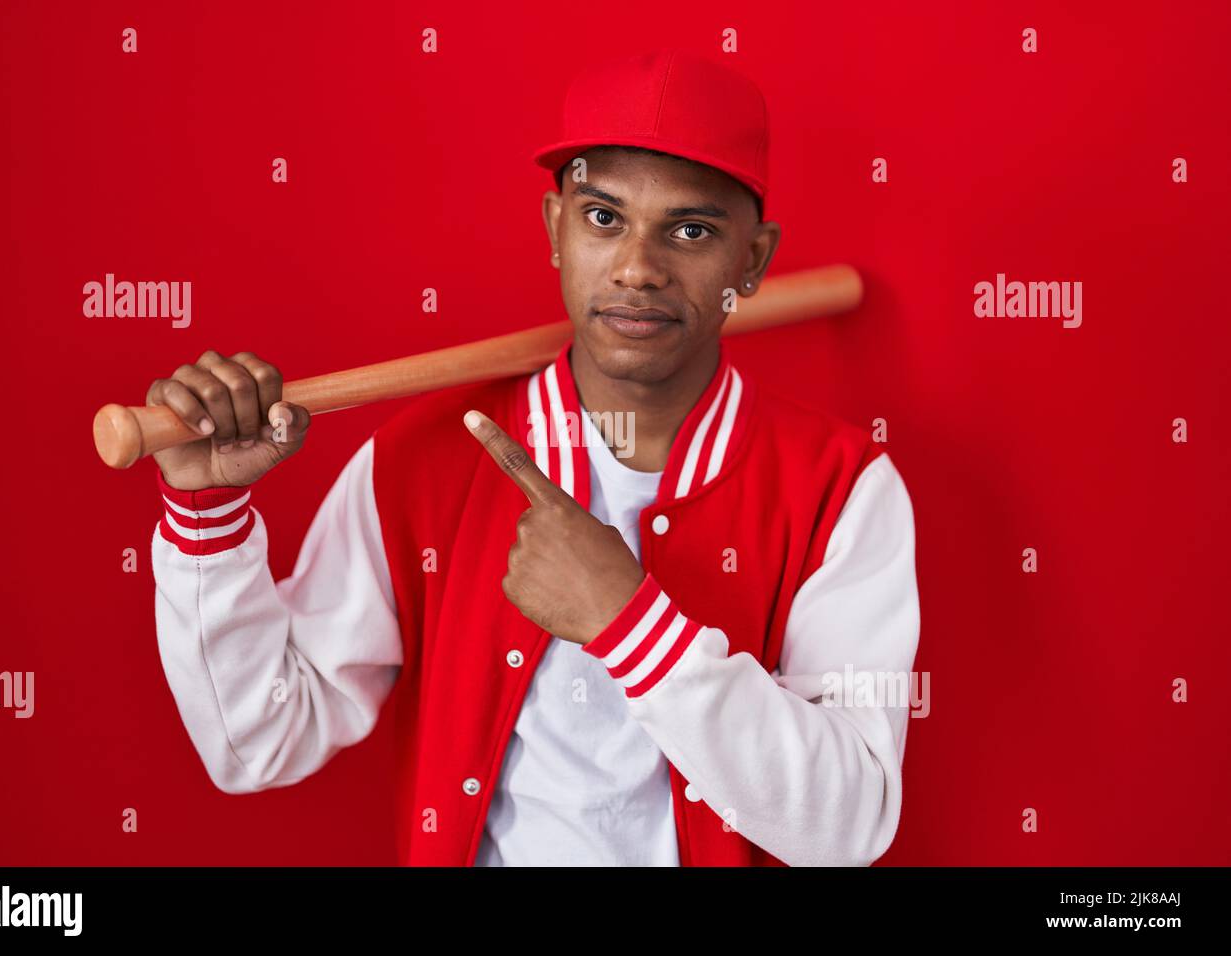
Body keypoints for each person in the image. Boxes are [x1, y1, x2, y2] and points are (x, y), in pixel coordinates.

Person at [147, 47, 920, 867]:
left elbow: (848, 828)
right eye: (603, 217)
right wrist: (210, 519)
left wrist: (629, 621)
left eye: (690, 231)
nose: (637, 268)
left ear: (752, 261)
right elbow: (259, 742)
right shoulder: (424, 459)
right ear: (556, 229)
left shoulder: (843, 487)